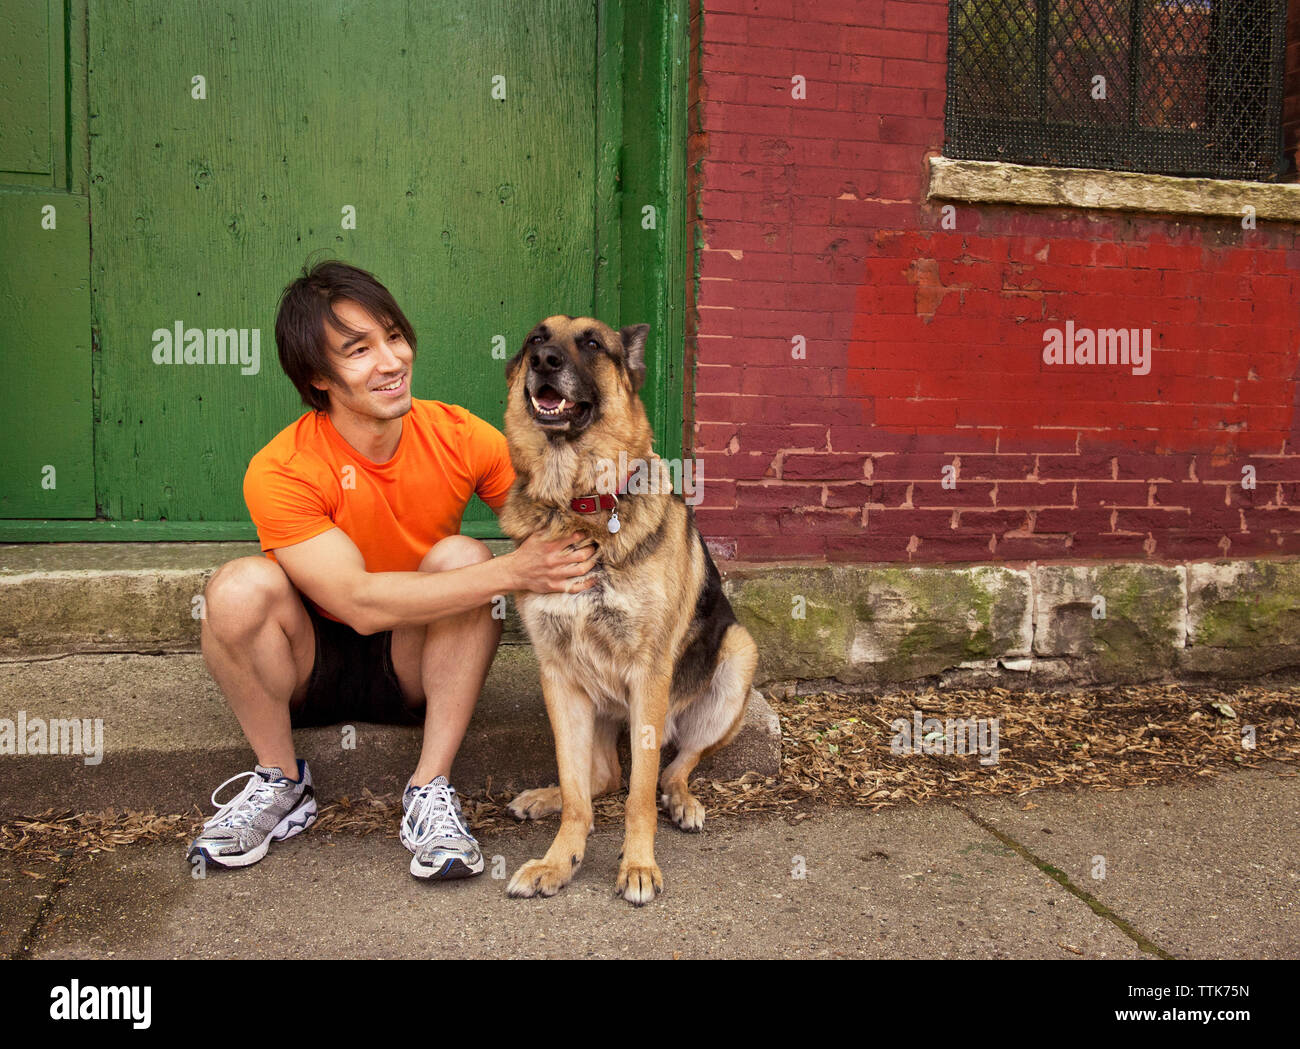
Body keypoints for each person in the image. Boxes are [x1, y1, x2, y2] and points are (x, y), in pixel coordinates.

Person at [186, 259, 599, 880]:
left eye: (395, 337)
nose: (391, 361)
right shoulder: (283, 467)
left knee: (462, 556)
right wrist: (516, 571)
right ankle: (281, 781)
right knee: (237, 587)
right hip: (306, 664)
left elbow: (557, 514)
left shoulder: (458, 436)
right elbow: (355, 600)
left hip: (411, 660)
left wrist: (631, 491)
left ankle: (429, 790)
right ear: (317, 377)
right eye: (358, 350)